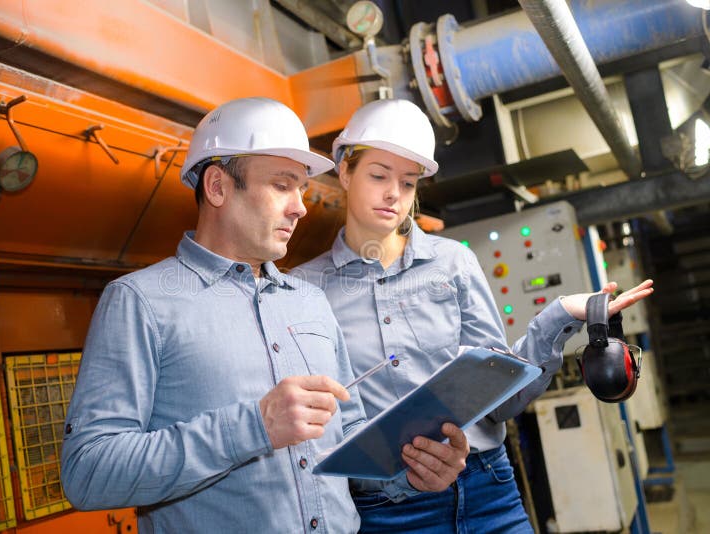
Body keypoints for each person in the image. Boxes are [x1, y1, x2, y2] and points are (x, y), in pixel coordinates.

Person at [60, 97, 470, 533]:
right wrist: (254, 427)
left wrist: (407, 471)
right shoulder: (141, 302)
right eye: (281, 186)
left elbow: (345, 437)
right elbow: (89, 472)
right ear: (217, 187)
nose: (300, 207)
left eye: (301, 189)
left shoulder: (310, 300)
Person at [292, 98, 654, 533]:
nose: (394, 194)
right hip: (391, 512)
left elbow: (500, 401)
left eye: (408, 182)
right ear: (345, 171)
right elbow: (320, 430)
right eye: (378, 175)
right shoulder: (305, 289)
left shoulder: (454, 263)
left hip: (488, 491)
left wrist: (560, 315)